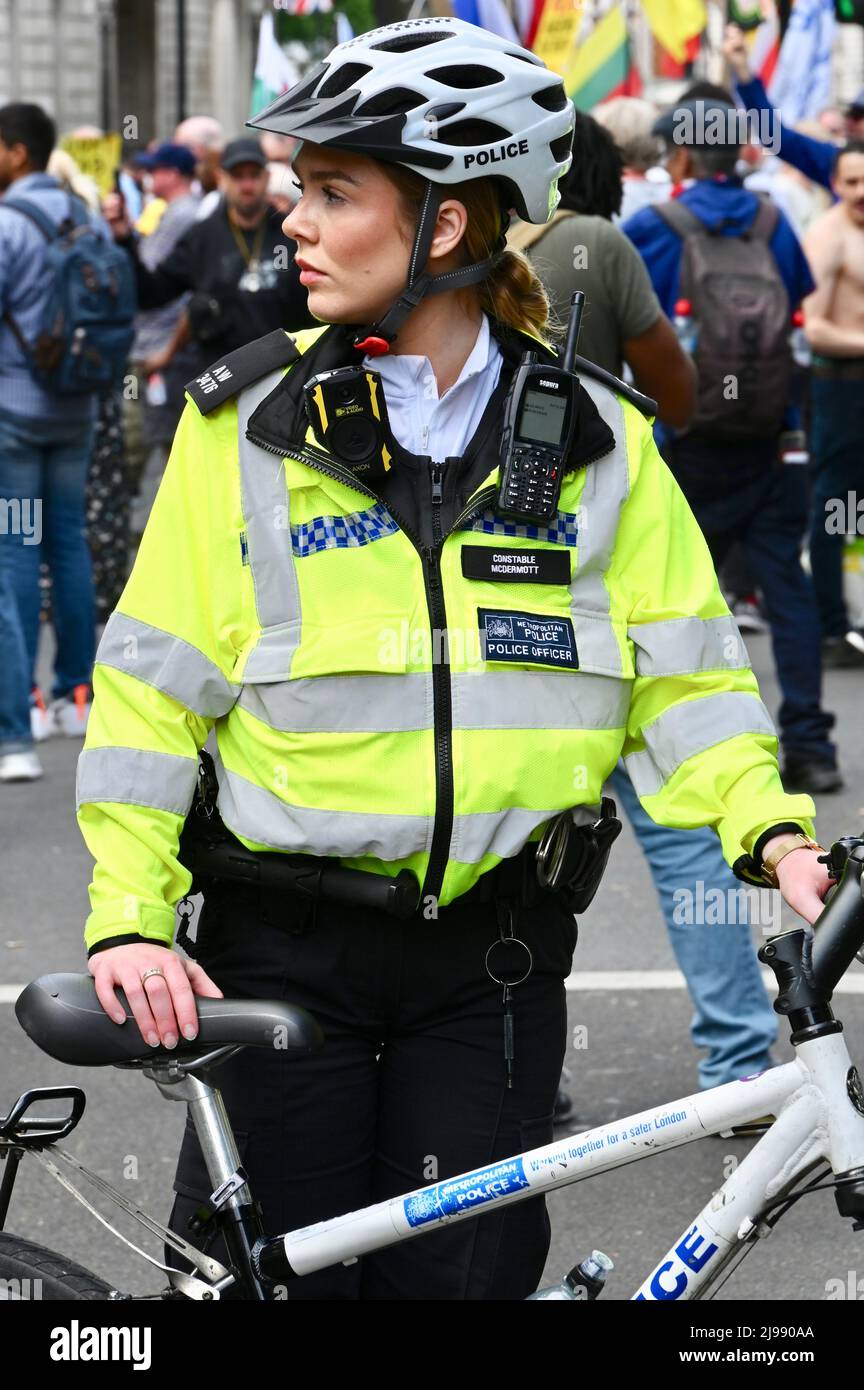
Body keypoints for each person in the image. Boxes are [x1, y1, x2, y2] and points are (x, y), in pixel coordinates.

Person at [79, 19, 830, 1301]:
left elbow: (689, 679)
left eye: (335, 192)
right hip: (278, 954)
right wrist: (128, 920)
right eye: (299, 189)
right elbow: (152, 695)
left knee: (465, 1291)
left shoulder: (596, 443)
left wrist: (773, 835)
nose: (296, 225)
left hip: (493, 967)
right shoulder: (244, 430)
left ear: (442, 227)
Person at [513, 110, 776, 1095]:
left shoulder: (455, 262)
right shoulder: (599, 244)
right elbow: (679, 393)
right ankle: (740, 1064)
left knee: (511, 846)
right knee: (679, 820)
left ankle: (504, 1072)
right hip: (608, 559)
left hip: (493, 596)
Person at [624, 95, 842, 797]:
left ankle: (663, 749)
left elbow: (627, 331)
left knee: (665, 598)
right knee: (789, 595)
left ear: (680, 156)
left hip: (686, 443)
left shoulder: (654, 227)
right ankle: (809, 746)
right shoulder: (778, 224)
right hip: (772, 443)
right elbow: (798, 321)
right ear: (743, 152)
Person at [0, 104, 102, 783]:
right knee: (68, 542)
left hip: (13, 414)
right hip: (77, 408)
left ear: (15, 153)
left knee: (15, 547)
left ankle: (16, 730)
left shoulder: (6, 223)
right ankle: (77, 695)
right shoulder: (83, 215)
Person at [102, 137, 312, 381]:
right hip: (219, 379)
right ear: (221, 179)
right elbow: (151, 294)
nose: (247, 185)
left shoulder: (290, 232)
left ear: (266, 177)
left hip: (285, 375)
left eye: (253, 175)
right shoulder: (203, 236)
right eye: (237, 176)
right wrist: (124, 239)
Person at [802, 142, 864, 667]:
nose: (861, 192)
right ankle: (830, 629)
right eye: (852, 182)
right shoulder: (828, 236)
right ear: (836, 184)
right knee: (835, 505)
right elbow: (814, 327)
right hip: (843, 387)